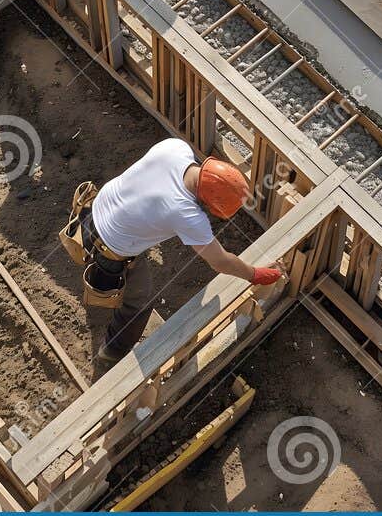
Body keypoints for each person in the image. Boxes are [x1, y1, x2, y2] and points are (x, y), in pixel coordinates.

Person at [81, 137, 283, 362]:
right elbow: (220, 261)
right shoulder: (186, 214)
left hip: (92, 210)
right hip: (109, 249)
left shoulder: (176, 147)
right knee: (141, 301)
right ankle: (112, 351)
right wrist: (254, 274)